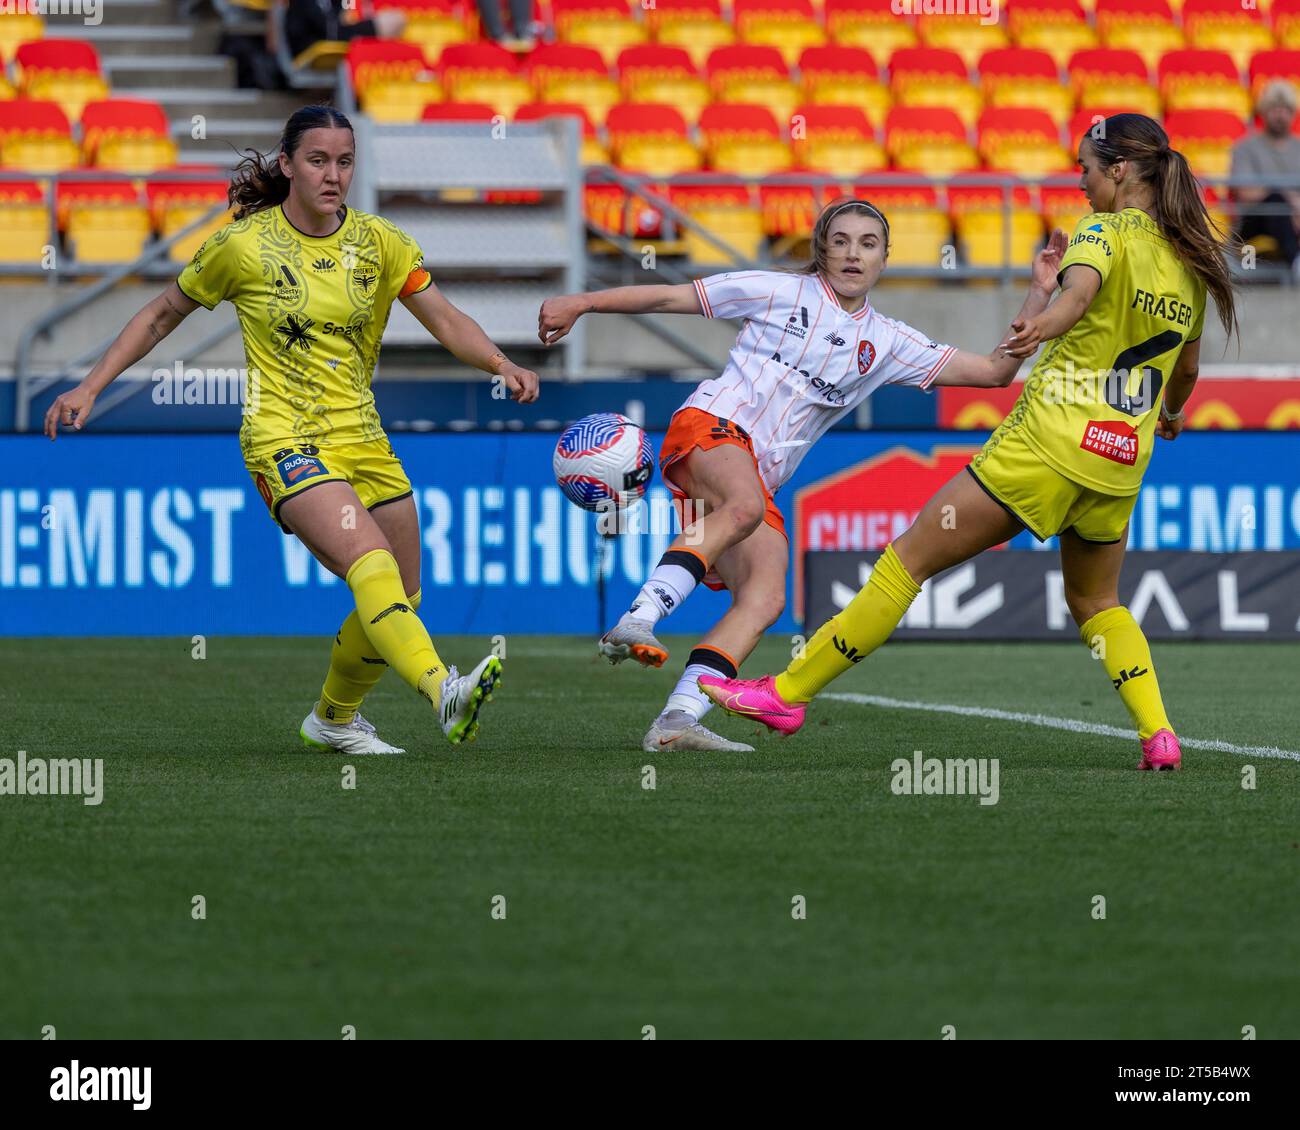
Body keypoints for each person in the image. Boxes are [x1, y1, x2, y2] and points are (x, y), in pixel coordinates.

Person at [700, 114, 1239, 773]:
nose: (1080, 182)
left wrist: (1042, 323)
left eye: (1086, 168)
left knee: (906, 562)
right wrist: (1173, 417)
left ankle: (785, 694)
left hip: (1046, 446)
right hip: (1119, 462)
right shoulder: (1189, 264)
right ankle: (1159, 734)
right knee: (1098, 602)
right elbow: (1185, 371)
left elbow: (1079, 296)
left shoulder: (1103, 232)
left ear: (1120, 171)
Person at [44, 104, 540, 754]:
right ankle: (442, 690)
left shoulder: (380, 242)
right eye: (317, 160)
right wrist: (91, 384)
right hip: (283, 438)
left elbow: (445, 319)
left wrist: (500, 362)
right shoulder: (242, 246)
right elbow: (162, 315)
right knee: (371, 564)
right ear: (287, 164)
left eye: (344, 161)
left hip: (363, 437)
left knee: (404, 594)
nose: (332, 175)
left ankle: (333, 720)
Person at [538, 199, 1068, 753]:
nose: (852, 254)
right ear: (821, 249)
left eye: (867, 243)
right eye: (840, 241)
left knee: (765, 597)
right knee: (741, 509)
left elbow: (993, 372)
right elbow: (672, 296)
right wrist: (582, 301)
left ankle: (676, 720)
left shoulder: (887, 342)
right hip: (709, 426)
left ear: (885, 257)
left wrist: (1039, 293)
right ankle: (640, 616)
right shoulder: (776, 290)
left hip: (753, 477)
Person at [1230, 80, 1300, 281]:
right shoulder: (1245, 148)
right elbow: (1245, 194)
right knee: (1276, 200)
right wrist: (1291, 201)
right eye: (1274, 109)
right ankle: (1296, 261)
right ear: (1263, 112)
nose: (1280, 115)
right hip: (1254, 221)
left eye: (1286, 109)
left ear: (1293, 113)